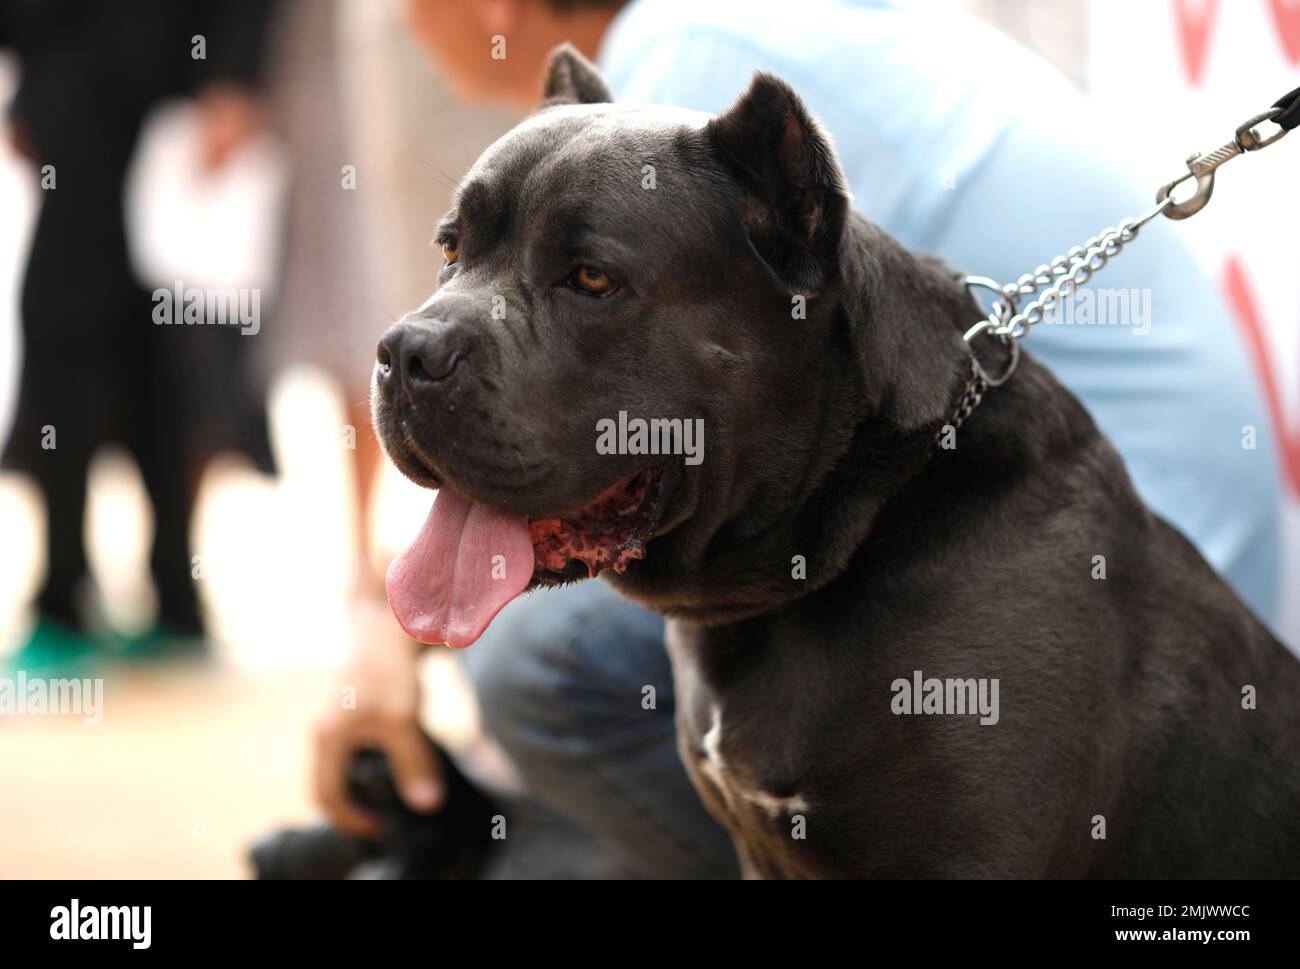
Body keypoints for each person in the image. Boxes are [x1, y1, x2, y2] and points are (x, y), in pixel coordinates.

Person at [313, 0, 1284, 877]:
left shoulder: (704, 75)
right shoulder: (735, 529)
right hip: (845, 477)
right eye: (457, 253)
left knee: (539, 659)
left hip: (1128, 516)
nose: (424, 332)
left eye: (589, 282)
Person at [0, 0, 279, 668]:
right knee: (113, 334)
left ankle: (84, 602)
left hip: (160, 97)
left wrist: (232, 76)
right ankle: (144, 596)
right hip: (84, 88)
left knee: (126, 337)